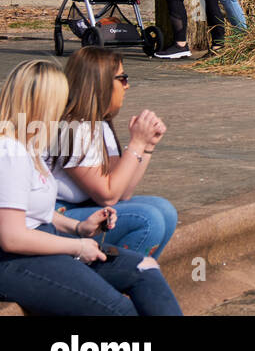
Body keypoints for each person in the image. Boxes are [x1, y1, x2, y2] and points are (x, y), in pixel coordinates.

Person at [0, 59, 182, 316]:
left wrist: (78, 228)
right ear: (43, 104)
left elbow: (29, 210)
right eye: (60, 101)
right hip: (14, 262)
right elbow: (12, 237)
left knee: (145, 268)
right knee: (119, 310)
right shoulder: (10, 152)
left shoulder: (29, 146)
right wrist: (75, 246)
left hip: (42, 245)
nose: (63, 111)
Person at [48, 47, 177, 257]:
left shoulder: (100, 124)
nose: (127, 85)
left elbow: (122, 192)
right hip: (57, 217)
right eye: (122, 78)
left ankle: (132, 279)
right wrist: (135, 144)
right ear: (101, 83)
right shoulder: (71, 129)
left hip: (83, 208)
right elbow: (107, 197)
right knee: (147, 219)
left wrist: (146, 147)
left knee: (165, 211)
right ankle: (107, 283)